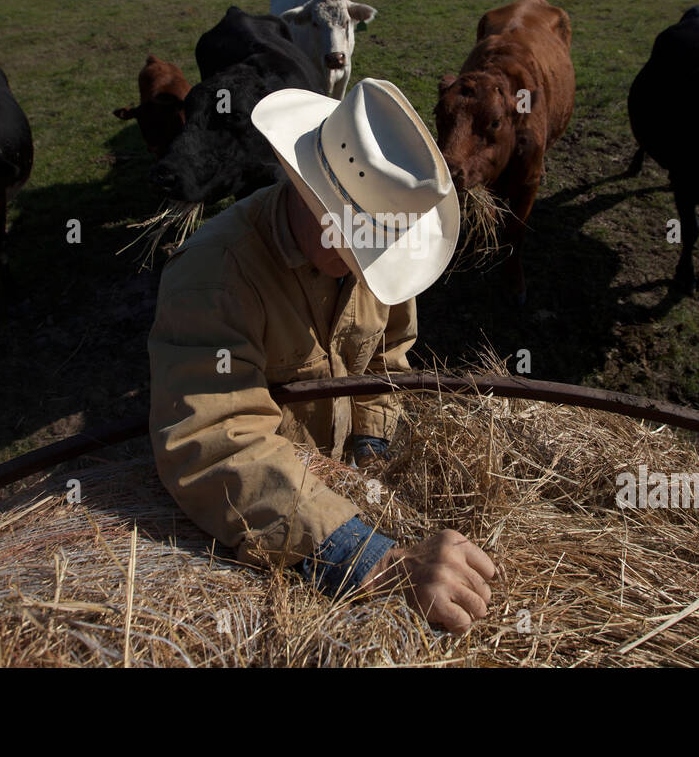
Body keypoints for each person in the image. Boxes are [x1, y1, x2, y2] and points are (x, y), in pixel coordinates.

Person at [148, 78, 495, 633]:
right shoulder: (213, 276)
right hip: (266, 510)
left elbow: (387, 353)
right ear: (304, 188)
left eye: (376, 246)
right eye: (354, 242)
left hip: (333, 482)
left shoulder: (379, 239)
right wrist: (374, 559)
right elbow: (212, 439)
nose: (366, 263)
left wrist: (370, 448)